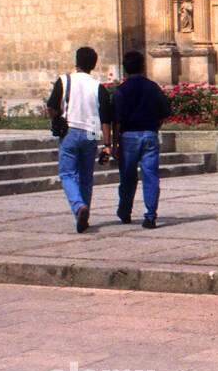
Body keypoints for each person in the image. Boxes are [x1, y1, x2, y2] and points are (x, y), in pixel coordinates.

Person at [46, 46, 113, 233]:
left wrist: (55, 119)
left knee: (67, 174)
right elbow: (106, 119)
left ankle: (79, 207)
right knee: (86, 177)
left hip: (71, 128)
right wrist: (107, 145)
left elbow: (51, 106)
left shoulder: (64, 80)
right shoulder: (99, 87)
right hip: (91, 130)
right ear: (94, 65)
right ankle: (85, 213)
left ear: (76, 62)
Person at [112, 50, 172, 229]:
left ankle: (125, 210)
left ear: (125, 69)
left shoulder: (121, 90)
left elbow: (116, 120)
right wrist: (154, 129)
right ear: (143, 67)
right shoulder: (153, 87)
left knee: (128, 176)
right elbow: (163, 112)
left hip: (128, 136)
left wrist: (114, 143)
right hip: (149, 134)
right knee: (151, 175)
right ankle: (150, 215)